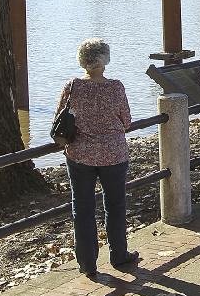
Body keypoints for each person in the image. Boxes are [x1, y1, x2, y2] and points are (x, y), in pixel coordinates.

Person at [54, 39, 138, 278]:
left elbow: (60, 118)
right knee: (115, 205)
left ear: (82, 60)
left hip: (80, 155)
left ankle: (88, 263)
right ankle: (119, 255)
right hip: (113, 155)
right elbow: (127, 122)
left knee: (82, 208)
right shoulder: (115, 87)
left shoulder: (73, 87)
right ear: (105, 60)